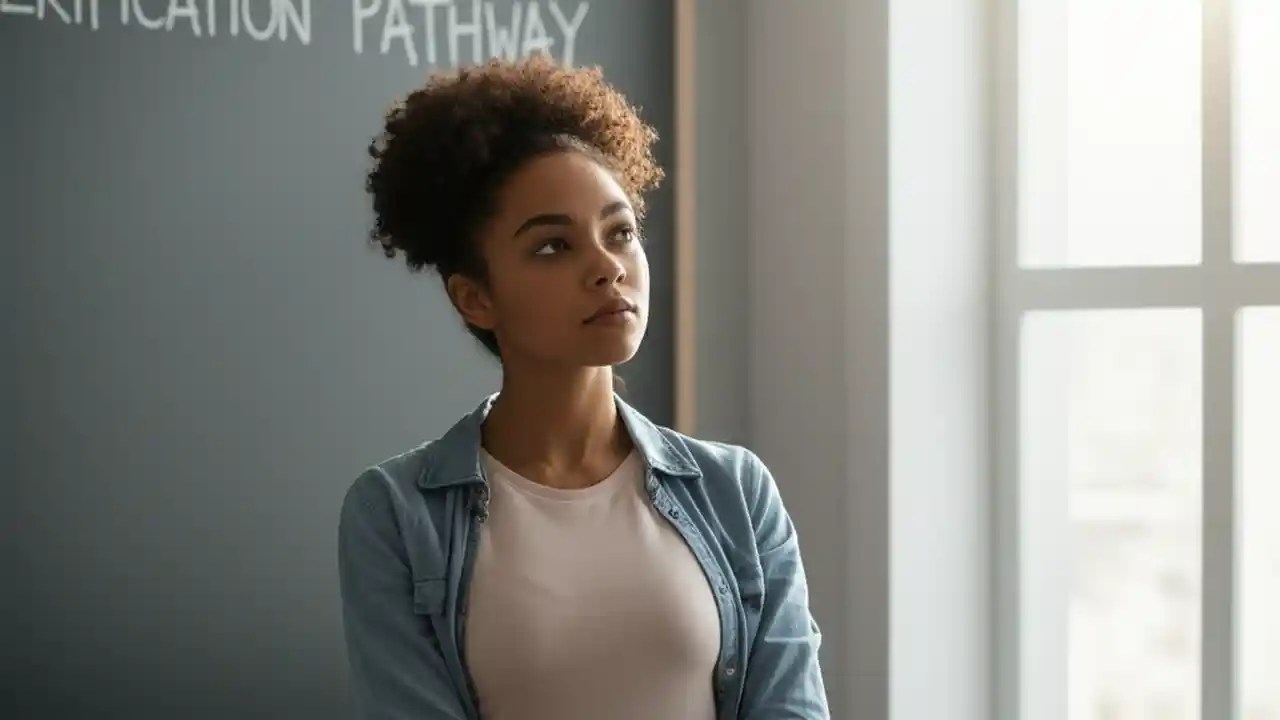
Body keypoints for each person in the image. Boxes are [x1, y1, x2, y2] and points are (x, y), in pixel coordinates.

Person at [337, 54, 829, 720]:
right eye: (553, 246)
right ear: (476, 297)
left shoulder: (735, 492)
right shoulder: (395, 514)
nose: (607, 267)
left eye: (620, 233)